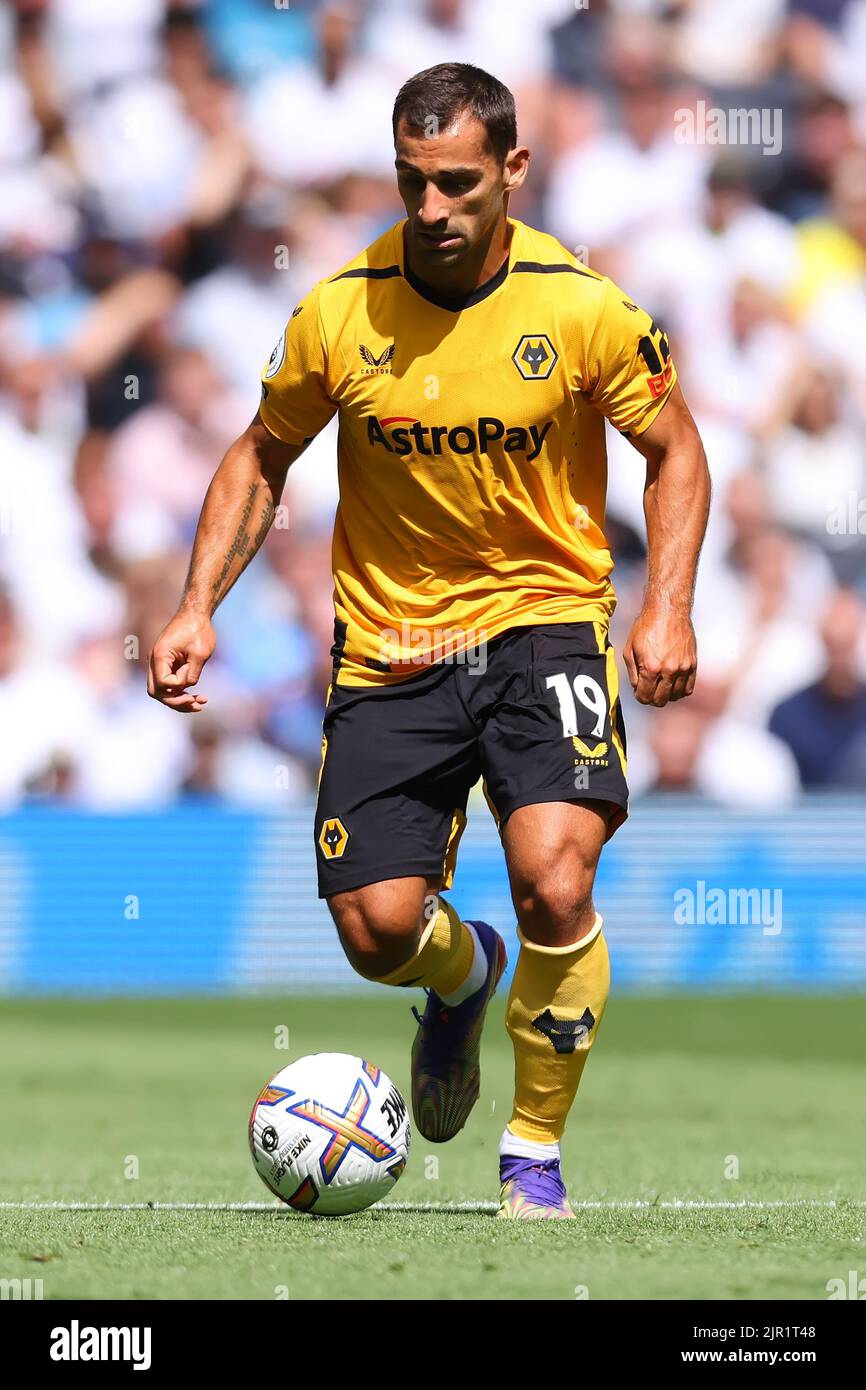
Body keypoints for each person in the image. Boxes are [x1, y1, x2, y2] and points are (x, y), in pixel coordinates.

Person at [148, 63, 710, 1219]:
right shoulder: (339, 310)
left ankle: (533, 1153)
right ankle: (462, 977)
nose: (431, 209)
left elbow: (676, 449)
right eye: (411, 182)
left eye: (456, 182)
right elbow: (262, 454)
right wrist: (197, 602)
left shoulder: (581, 303)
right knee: (376, 930)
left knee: (556, 875)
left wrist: (667, 605)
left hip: (541, 624)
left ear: (511, 168)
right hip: (391, 644)